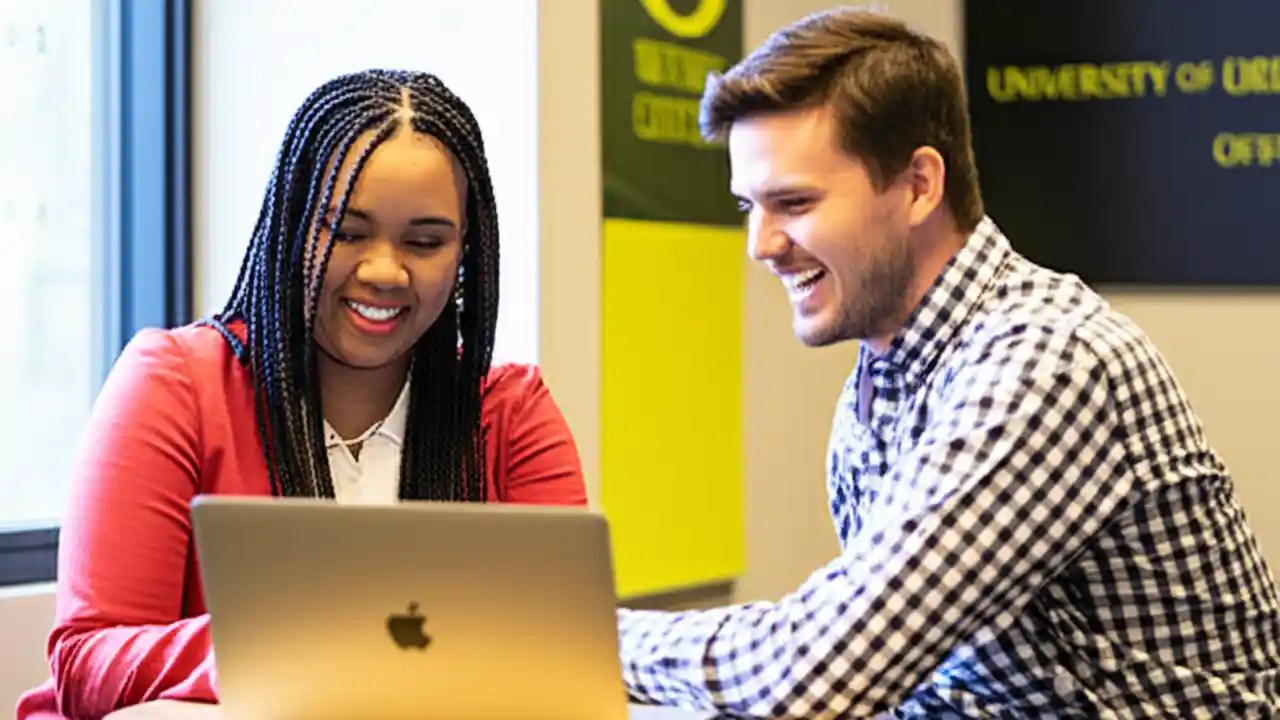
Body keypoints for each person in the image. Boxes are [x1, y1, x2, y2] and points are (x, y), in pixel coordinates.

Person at [616, 7, 1280, 718]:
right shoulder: (881, 390)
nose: (761, 244)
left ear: (920, 187)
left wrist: (593, 637)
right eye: (750, 206)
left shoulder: (1048, 362)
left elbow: (819, 672)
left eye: (795, 203)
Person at [16, 69, 587, 720]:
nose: (383, 270)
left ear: (464, 255)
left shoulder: (510, 412)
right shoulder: (172, 383)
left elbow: (564, 657)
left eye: (425, 242)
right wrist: (316, 644)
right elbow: (89, 663)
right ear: (290, 227)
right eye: (346, 232)